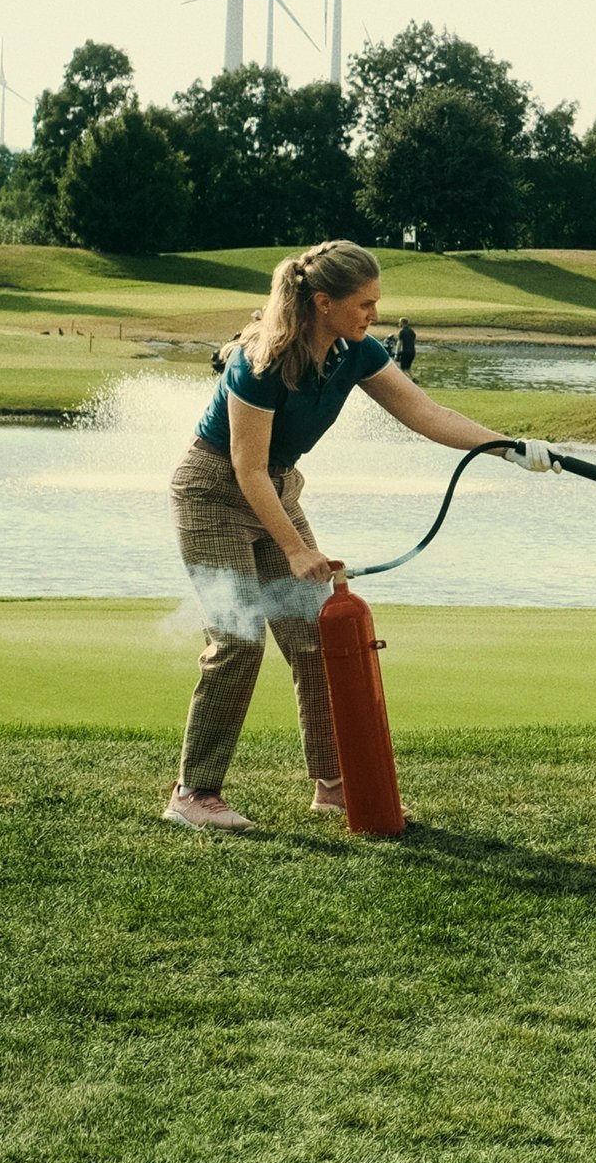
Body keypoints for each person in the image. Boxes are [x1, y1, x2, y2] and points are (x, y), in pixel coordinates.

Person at [165, 239, 509, 832]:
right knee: (239, 639)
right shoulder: (260, 360)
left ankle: (332, 784)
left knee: (315, 637)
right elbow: (246, 468)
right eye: (365, 304)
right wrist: (296, 550)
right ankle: (193, 794)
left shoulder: (354, 351)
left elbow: (427, 414)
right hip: (214, 493)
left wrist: (507, 446)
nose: (374, 315)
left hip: (278, 489)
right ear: (323, 302)